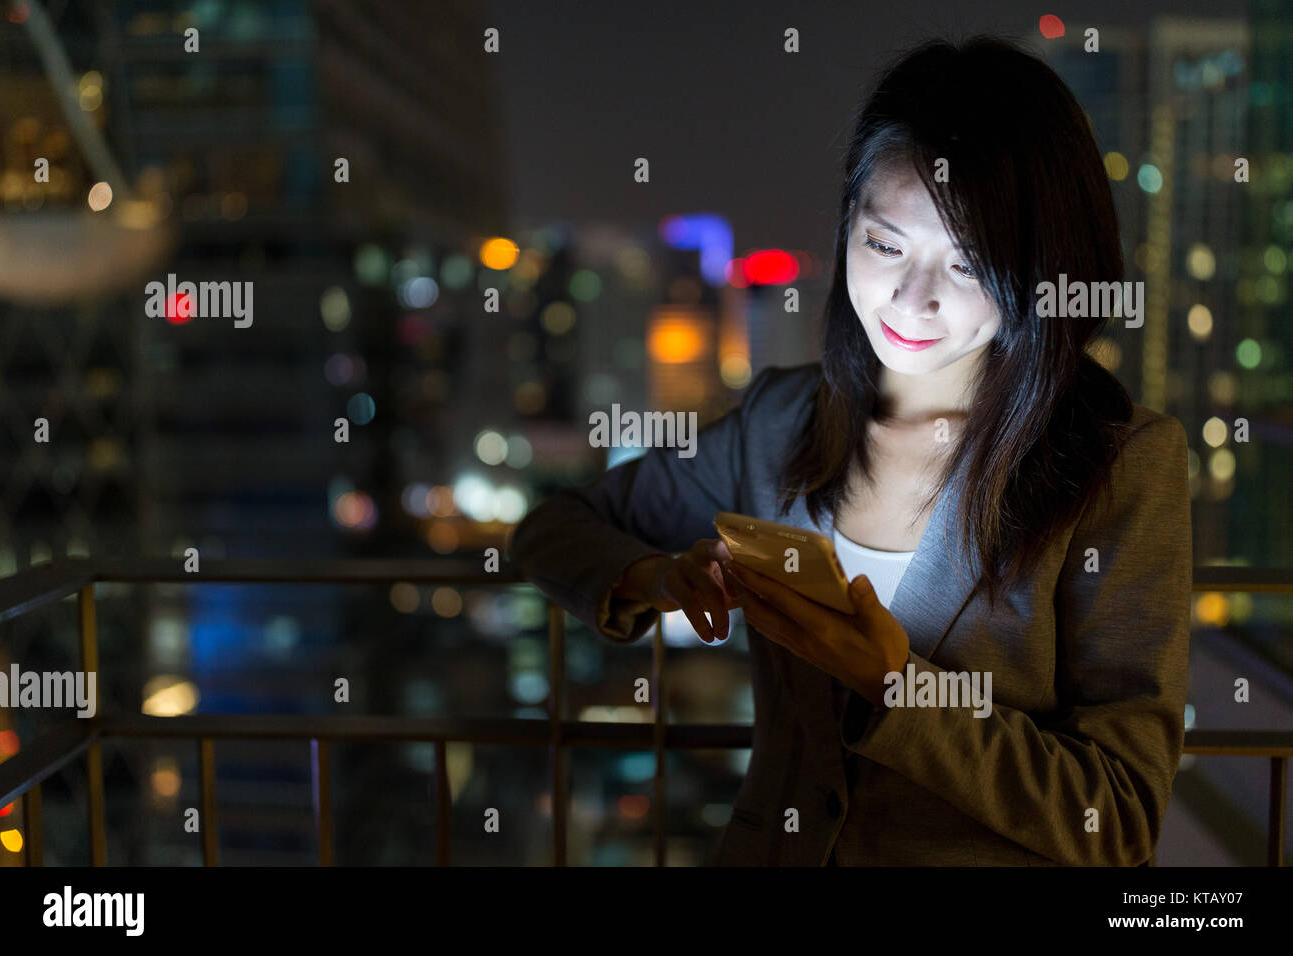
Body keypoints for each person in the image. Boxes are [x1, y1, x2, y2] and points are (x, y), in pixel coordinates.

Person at [506, 35, 1192, 866]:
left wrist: (899, 688)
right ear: (847, 230)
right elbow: (552, 528)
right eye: (885, 245)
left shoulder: (1121, 467)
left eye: (969, 265)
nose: (912, 299)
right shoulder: (780, 424)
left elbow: (1115, 817)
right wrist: (657, 577)